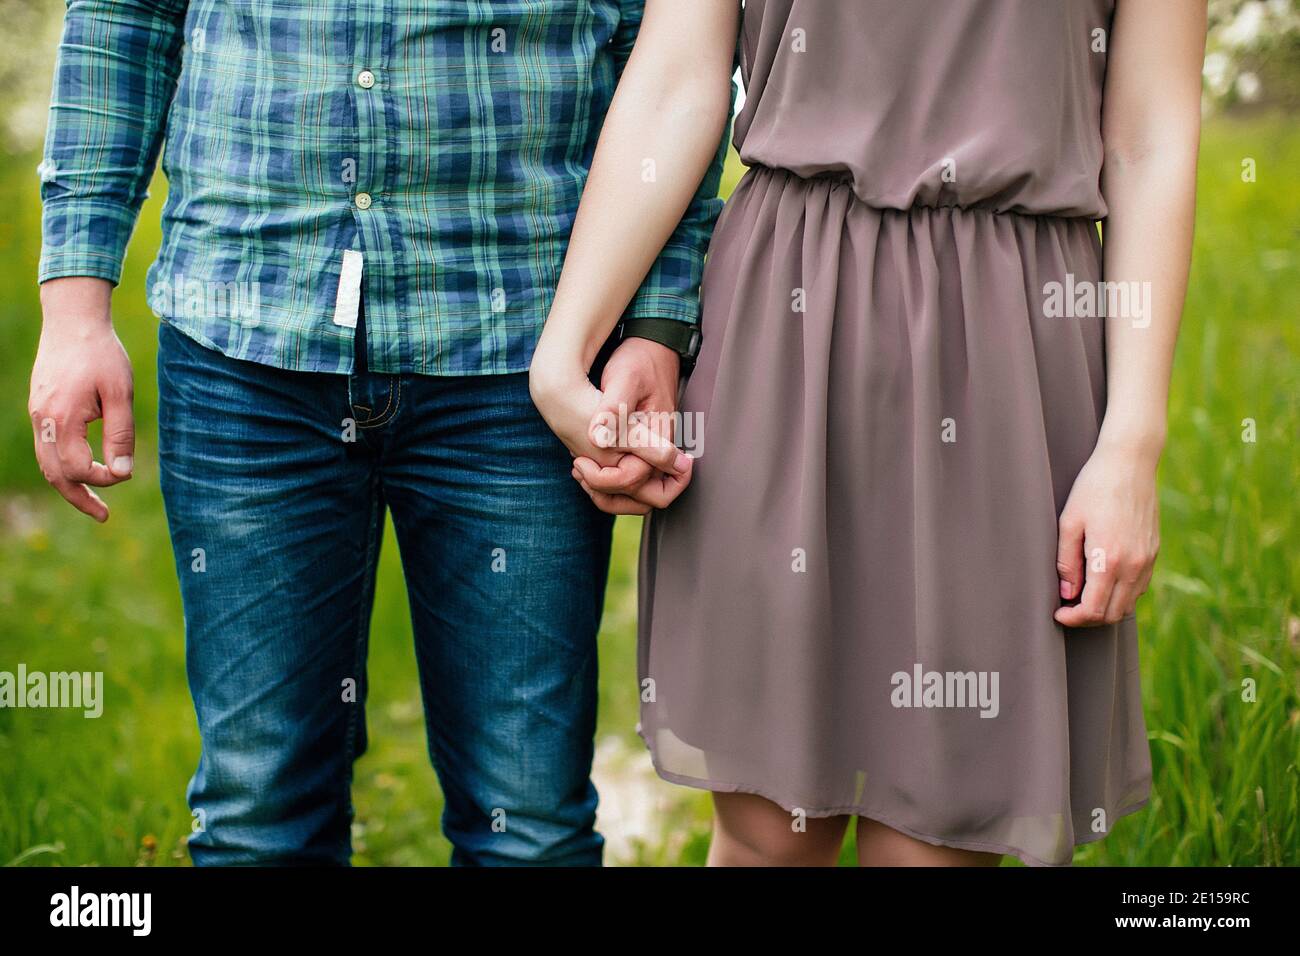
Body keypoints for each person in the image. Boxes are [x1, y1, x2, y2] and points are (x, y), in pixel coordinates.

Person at [30, 0, 729, 866]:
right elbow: (122, 16)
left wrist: (657, 322)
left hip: (523, 346)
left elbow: (666, 51)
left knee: (528, 825)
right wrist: (74, 310)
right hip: (245, 339)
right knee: (258, 821)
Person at [534, 0, 1205, 866]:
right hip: (787, 321)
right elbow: (674, 82)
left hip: (1007, 347)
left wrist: (1131, 444)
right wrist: (566, 351)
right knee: (766, 829)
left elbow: (1149, 138)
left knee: (941, 832)